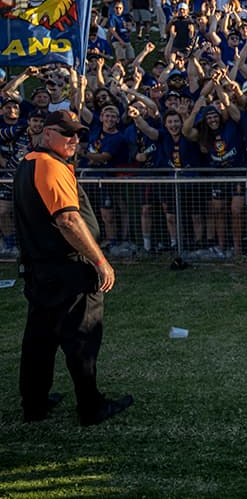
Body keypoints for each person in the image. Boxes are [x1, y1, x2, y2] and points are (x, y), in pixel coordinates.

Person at [15, 110, 133, 425]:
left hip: (41, 269)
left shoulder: (29, 162)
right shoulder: (49, 166)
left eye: (78, 134)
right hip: (67, 270)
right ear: (47, 133)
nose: (75, 140)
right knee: (81, 338)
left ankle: (34, 404)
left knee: (39, 339)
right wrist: (100, 261)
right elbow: (68, 220)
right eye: (68, 133)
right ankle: (90, 407)